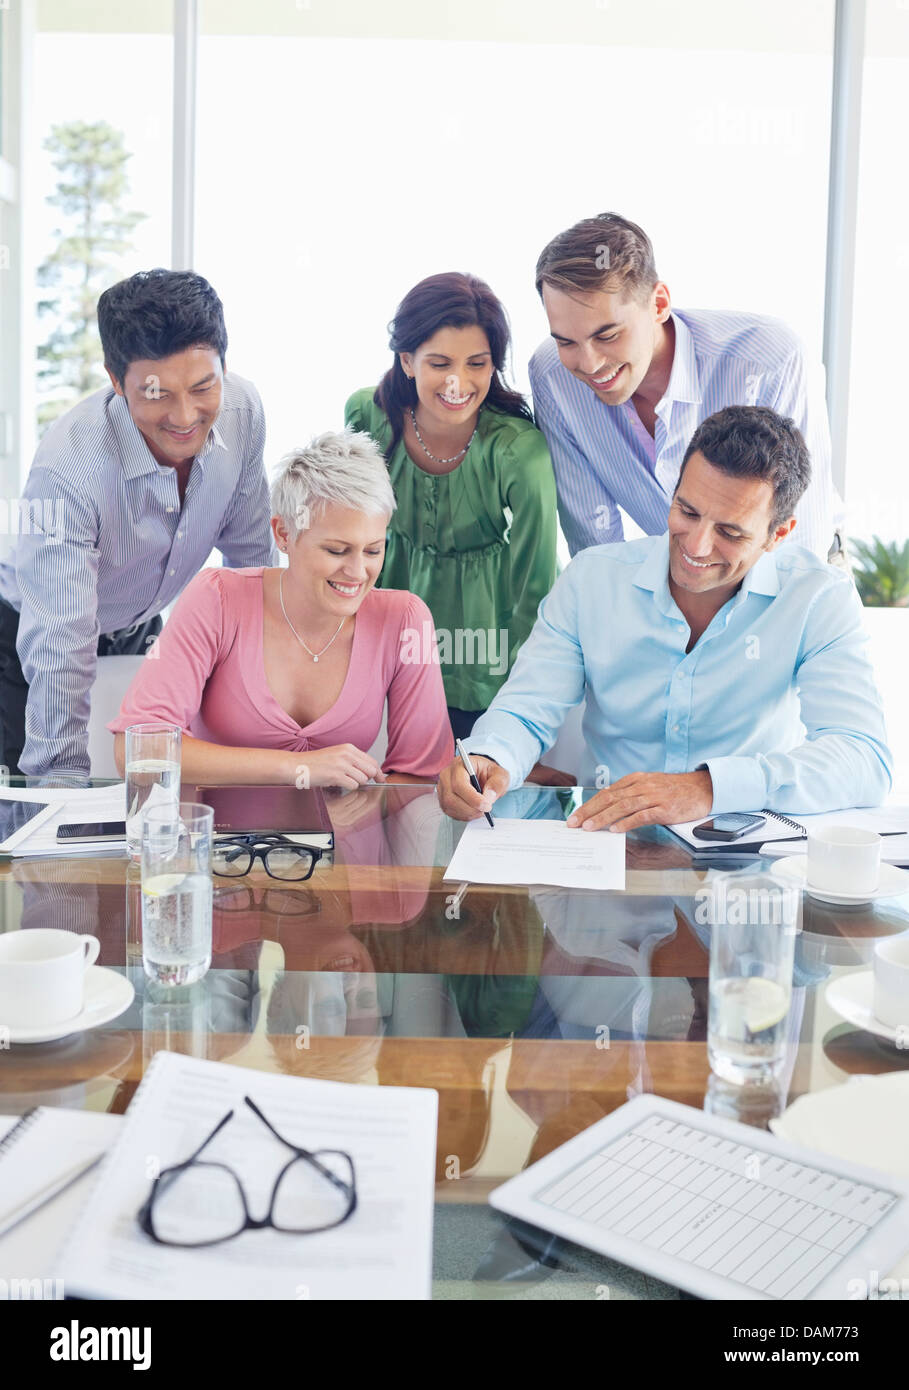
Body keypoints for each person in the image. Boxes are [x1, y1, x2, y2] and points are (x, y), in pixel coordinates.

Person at [438, 407, 891, 829]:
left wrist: (709, 788)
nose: (696, 547)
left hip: (746, 862)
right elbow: (526, 711)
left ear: (779, 534)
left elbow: (863, 757)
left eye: (730, 532)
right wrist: (490, 756)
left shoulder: (817, 598)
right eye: (687, 512)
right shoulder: (592, 580)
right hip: (606, 847)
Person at [0, 269, 276, 778]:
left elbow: (252, 567)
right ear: (114, 379)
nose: (185, 415)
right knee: (32, 815)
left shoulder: (242, 411)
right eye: (156, 395)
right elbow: (62, 641)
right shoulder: (69, 471)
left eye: (202, 386)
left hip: (136, 621)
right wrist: (63, 788)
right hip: (27, 637)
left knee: (148, 792)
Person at [109, 429, 453, 786]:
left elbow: (420, 778)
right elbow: (137, 753)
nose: (356, 572)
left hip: (345, 839)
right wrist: (297, 769)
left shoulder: (405, 621)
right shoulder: (218, 599)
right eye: (336, 550)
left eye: (372, 550)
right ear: (284, 534)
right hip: (217, 836)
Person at [529, 213, 841, 562]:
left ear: (659, 304)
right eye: (566, 342)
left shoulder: (770, 361)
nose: (588, 364)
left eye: (607, 335)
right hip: (681, 580)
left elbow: (799, 552)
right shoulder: (553, 378)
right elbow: (596, 548)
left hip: (794, 576)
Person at [345, 271, 559, 751]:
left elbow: (537, 582)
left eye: (477, 364)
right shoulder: (367, 417)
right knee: (383, 789)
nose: (458, 383)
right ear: (407, 359)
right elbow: (345, 536)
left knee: (477, 803)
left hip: (487, 649)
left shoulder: (519, 452)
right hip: (389, 636)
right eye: (439, 363)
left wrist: (522, 697)